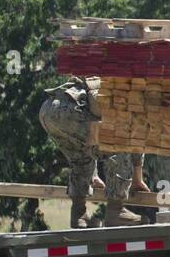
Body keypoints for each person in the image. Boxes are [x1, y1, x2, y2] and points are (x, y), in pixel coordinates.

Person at [39, 77, 149, 227]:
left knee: (80, 157)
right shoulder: (137, 100)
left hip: (49, 110)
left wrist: (94, 175)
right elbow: (135, 142)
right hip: (72, 109)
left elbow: (89, 142)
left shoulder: (117, 83)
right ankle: (116, 211)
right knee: (119, 147)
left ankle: (79, 213)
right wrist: (137, 179)